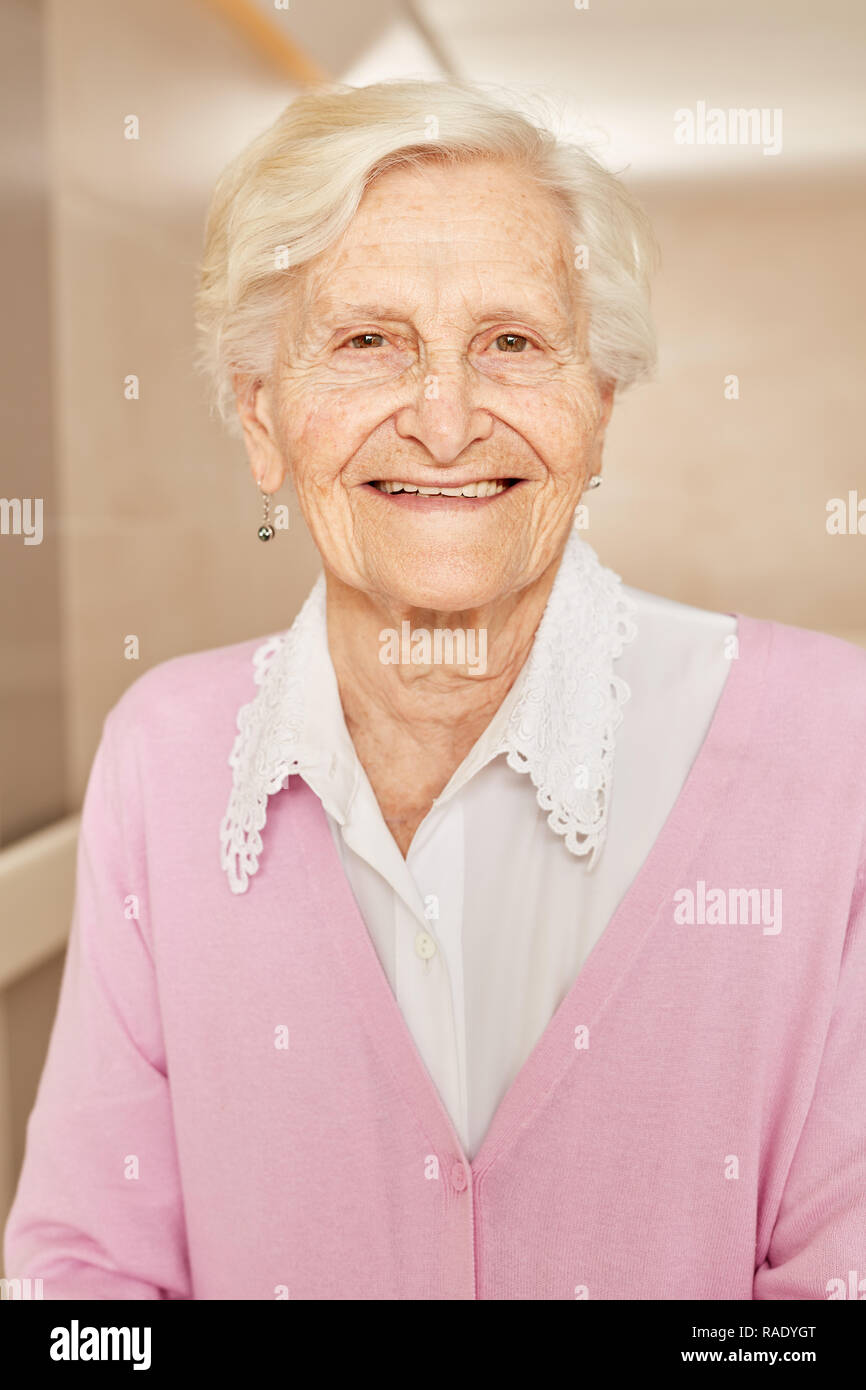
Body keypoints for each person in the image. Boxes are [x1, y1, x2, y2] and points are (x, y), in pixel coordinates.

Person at [5, 79, 866, 1300]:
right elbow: (81, 1283)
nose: (447, 420)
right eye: (368, 342)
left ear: (598, 405)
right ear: (261, 418)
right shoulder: (166, 755)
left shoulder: (830, 745)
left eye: (512, 342)